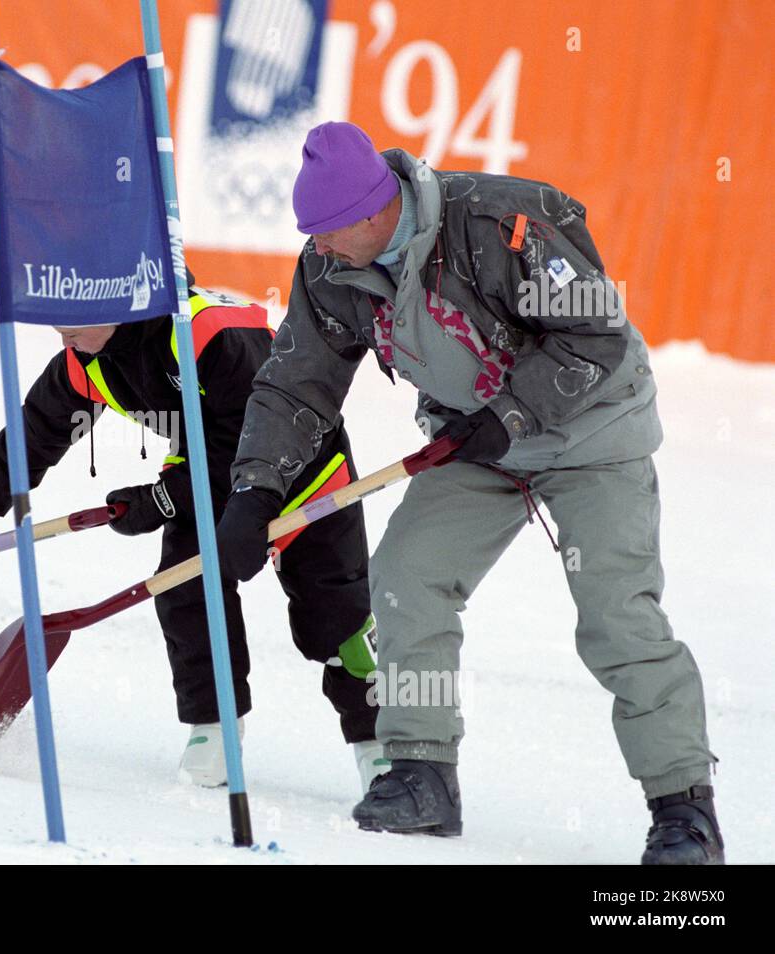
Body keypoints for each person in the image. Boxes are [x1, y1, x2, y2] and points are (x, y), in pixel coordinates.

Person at [214, 122, 723, 864]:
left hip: (592, 434)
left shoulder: (502, 222)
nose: (316, 249)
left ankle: (684, 811)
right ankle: (421, 773)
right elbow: (297, 384)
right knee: (406, 577)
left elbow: (597, 337)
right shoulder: (331, 269)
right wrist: (255, 493)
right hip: (475, 442)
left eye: (325, 232)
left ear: (370, 212)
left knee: (616, 613)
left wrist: (512, 413)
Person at [0, 281, 387, 789]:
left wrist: (162, 500)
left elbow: (263, 429)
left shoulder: (208, 335)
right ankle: (215, 726)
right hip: (207, 476)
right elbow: (33, 435)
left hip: (305, 467)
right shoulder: (88, 358)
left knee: (335, 618)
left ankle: (381, 744)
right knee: (185, 589)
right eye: (58, 324)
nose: (63, 336)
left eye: (74, 323)